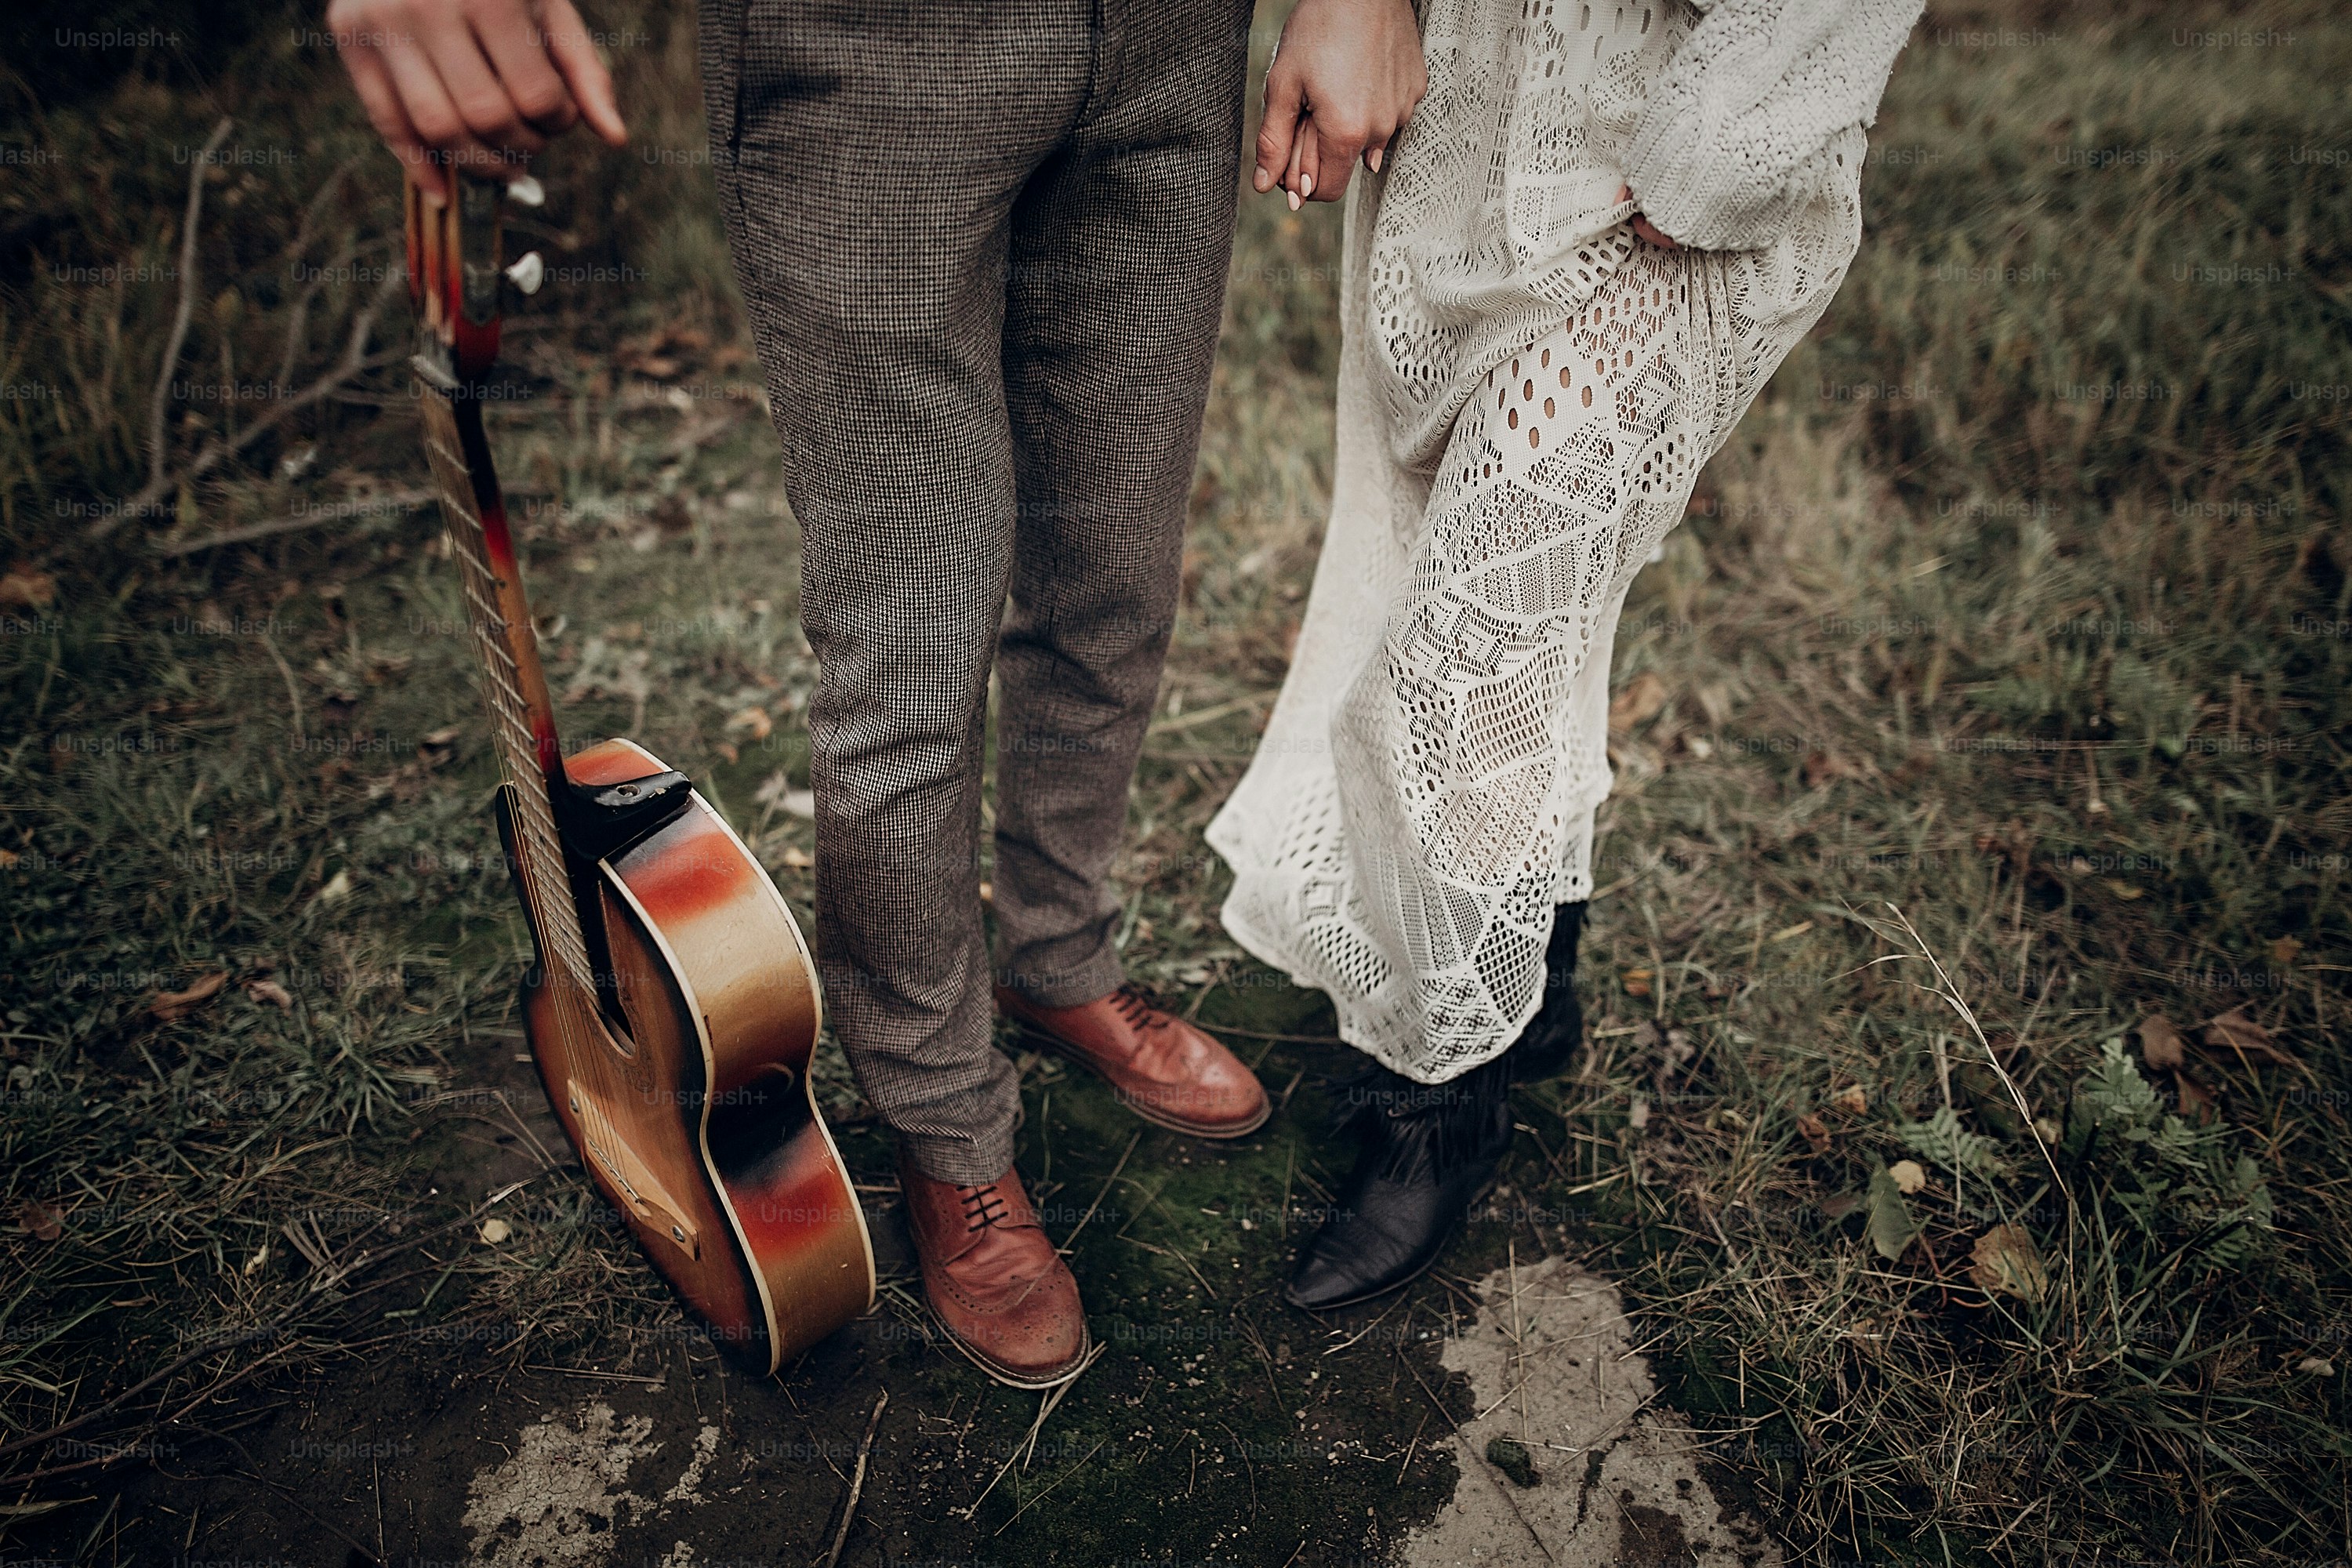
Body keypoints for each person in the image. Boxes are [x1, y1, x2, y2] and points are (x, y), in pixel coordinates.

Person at [326, 0, 1270, 1389]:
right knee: (911, 649)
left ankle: (1058, 959)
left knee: (1112, 579)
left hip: (1176, 42)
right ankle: (948, 1133)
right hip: (874, 58)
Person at [1214, 0, 1924, 1309]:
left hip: (1671, 169)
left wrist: (1715, 150)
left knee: (1466, 657)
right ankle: (1538, 981)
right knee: (1497, 594)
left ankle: (1445, 1097)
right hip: (1469, 140)